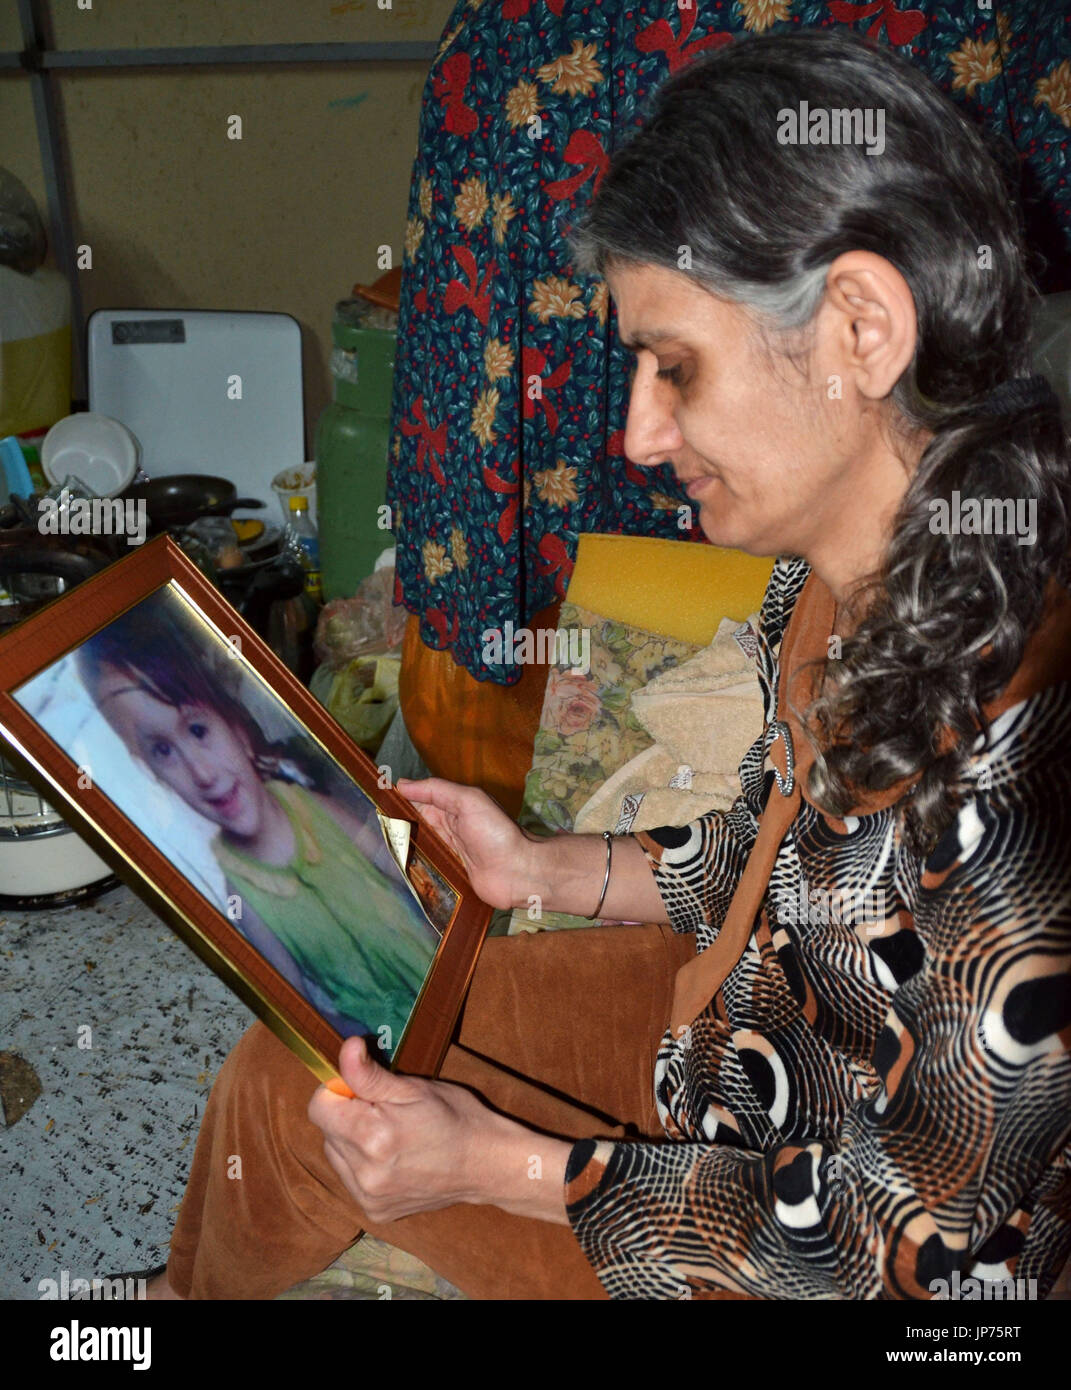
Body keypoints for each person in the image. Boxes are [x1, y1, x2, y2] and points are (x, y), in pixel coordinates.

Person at [150, 30, 1070, 1300]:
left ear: (863, 327)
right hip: (749, 1041)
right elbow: (768, 847)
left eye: (675, 366)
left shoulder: (1023, 760)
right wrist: (547, 868)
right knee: (295, 1078)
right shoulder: (849, 558)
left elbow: (916, 1245)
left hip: (844, 1257)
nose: (638, 432)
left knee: (342, 1137)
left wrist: (502, 1165)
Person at [77, 592, 438, 1052]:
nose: (202, 775)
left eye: (198, 730)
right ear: (150, 771)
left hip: (439, 976)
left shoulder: (310, 806)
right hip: (385, 1044)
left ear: (237, 727)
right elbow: (301, 1006)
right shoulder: (242, 895)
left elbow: (401, 868)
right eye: (162, 751)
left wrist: (447, 932)